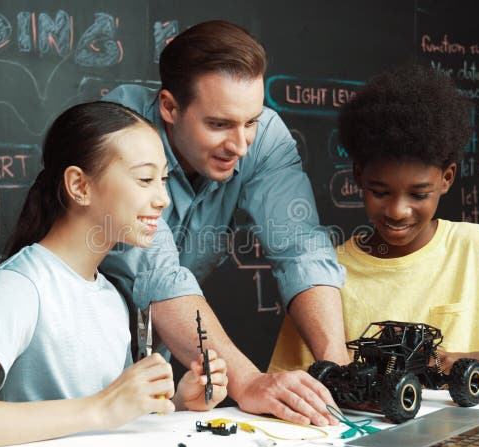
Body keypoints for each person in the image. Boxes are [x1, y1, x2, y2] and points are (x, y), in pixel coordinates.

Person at [0, 102, 227, 447]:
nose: (163, 198)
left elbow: (108, 426)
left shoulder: (109, 296)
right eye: (145, 179)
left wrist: (178, 405)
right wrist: (102, 407)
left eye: (164, 179)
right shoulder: (22, 286)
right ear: (80, 186)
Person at [101, 20, 348, 426]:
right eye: (218, 124)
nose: (239, 145)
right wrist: (248, 381)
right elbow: (158, 274)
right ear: (169, 107)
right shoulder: (121, 132)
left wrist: (337, 370)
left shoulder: (262, 136)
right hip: (72, 360)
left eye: (250, 121)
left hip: (154, 369)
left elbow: (300, 246)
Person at [268, 64, 479, 379]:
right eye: (380, 191)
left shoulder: (478, 250)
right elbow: (297, 382)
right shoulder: (322, 279)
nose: (399, 210)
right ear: (359, 175)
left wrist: (460, 364)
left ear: (447, 178)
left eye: (419, 194)